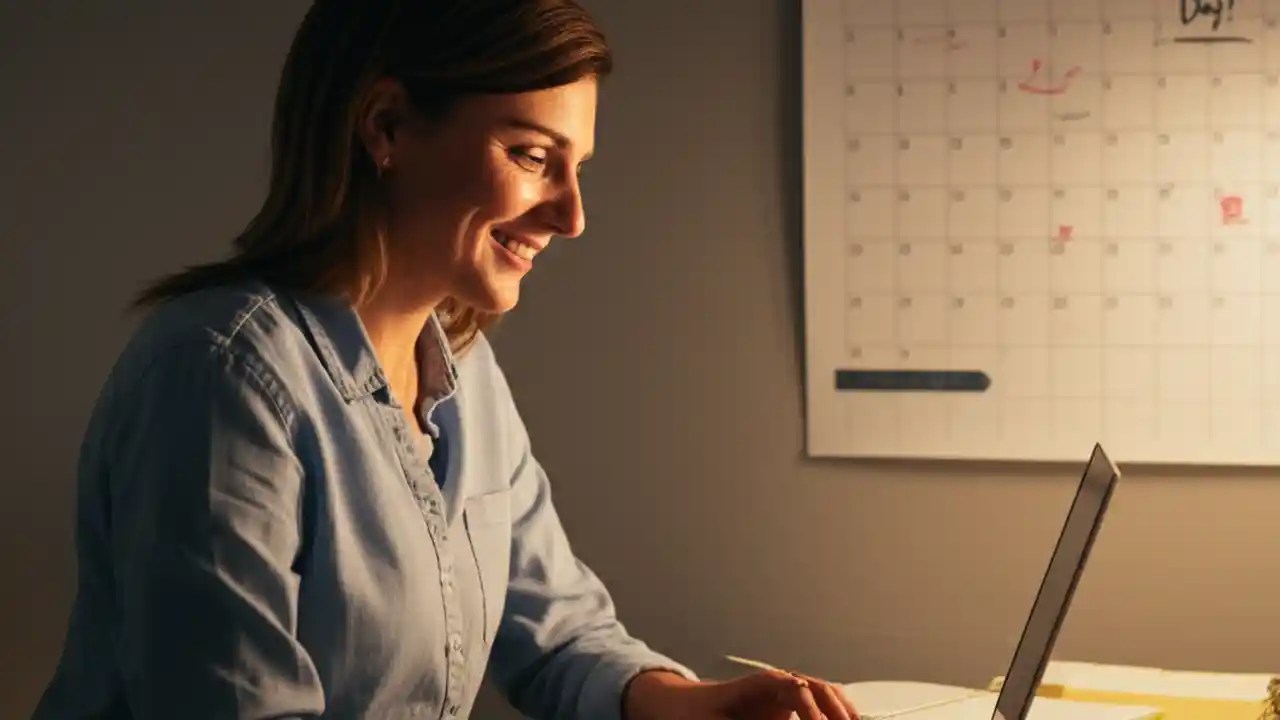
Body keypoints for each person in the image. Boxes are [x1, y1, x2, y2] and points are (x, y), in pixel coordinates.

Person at [34, 1, 860, 718]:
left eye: (579, 168)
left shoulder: (464, 371)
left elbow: (556, 631)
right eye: (534, 157)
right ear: (387, 127)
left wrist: (684, 704)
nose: (572, 215)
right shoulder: (218, 377)